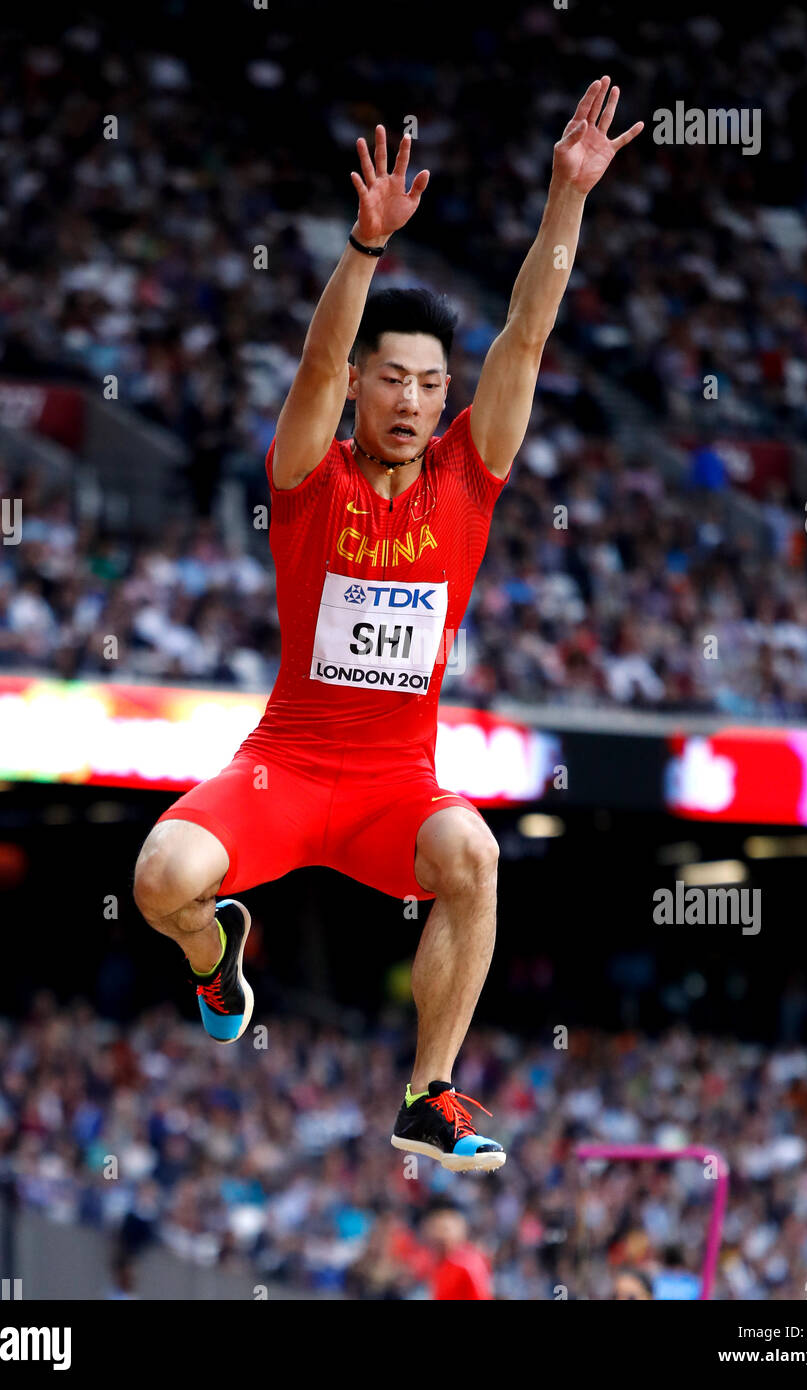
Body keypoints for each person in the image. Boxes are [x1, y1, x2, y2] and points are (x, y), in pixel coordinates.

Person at [133, 78, 642, 1173]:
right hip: (283, 770)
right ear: (361, 387)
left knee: (473, 848)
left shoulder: (467, 474)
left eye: (429, 384)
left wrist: (565, 197)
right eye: (391, 380)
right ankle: (217, 954)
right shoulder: (308, 474)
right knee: (160, 875)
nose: (411, 400)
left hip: (392, 786)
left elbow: (529, 331)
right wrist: (362, 252)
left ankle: (430, 1092)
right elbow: (313, 363)